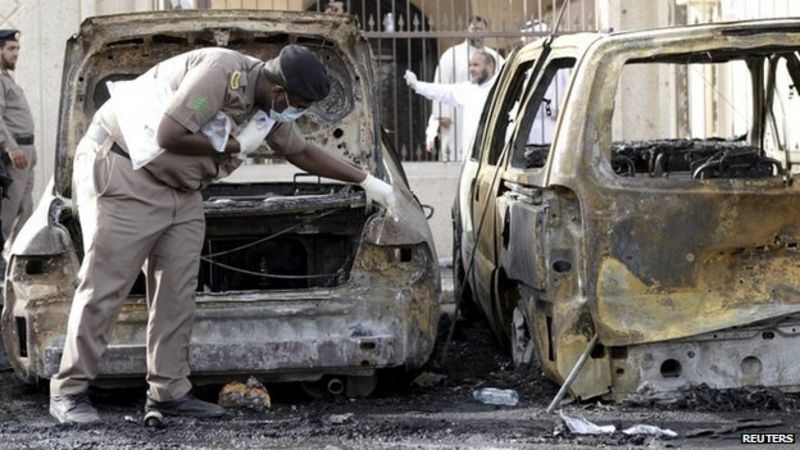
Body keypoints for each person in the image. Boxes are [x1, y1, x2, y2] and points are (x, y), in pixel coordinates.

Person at [49, 45, 397, 424]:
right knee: (105, 286)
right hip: (126, 171)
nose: (294, 113)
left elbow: (300, 151)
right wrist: (235, 145)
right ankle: (69, 391)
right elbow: (169, 134)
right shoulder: (221, 71)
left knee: (176, 293)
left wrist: (366, 181)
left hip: (183, 190)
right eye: (296, 104)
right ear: (279, 89)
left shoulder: (269, 107)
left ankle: (168, 392)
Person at [426, 16, 503, 161]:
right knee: (456, 152)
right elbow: (441, 82)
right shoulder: (451, 54)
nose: (477, 32)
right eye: (474, 29)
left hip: (484, 110)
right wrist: (441, 113)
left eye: (481, 29)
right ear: (467, 31)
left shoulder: (494, 57)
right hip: (456, 114)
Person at [405, 51, 496, 155]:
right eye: (470, 65)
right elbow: (444, 91)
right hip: (470, 157)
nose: (471, 69)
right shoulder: (469, 89)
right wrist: (417, 85)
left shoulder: (501, 88)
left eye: (475, 65)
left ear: (490, 67)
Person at [0, 30, 35, 250]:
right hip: (15, 153)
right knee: (9, 209)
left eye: (18, 48)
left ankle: (17, 256)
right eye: (11, 48)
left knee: (26, 207)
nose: (16, 53)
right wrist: (11, 148)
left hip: (26, 150)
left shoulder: (6, 78)